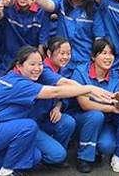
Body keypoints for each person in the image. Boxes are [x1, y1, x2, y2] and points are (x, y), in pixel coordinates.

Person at [0, 46, 113, 176]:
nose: (37, 68)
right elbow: (55, 92)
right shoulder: (16, 83)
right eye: (32, 64)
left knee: (35, 157)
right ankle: (6, 171)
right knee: (28, 126)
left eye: (40, 64)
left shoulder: (28, 75)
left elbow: (64, 82)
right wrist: (90, 88)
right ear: (19, 65)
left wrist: (90, 91)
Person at [68, 38, 119, 173]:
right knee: (96, 116)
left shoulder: (115, 75)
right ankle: (84, 157)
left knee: (109, 144)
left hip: (107, 119)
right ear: (93, 56)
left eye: (111, 54)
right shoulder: (80, 72)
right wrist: (112, 108)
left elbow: (118, 106)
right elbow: (85, 104)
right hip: (85, 118)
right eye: (103, 53)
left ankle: (118, 156)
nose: (108, 57)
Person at [35, 0, 105, 77]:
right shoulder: (61, 2)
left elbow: (99, 39)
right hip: (61, 61)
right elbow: (50, 5)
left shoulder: (94, 10)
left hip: (84, 62)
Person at [29, 37, 76, 167]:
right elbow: (63, 85)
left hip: (46, 119)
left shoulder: (61, 69)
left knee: (68, 122)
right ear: (49, 53)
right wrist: (91, 90)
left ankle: (54, 153)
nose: (66, 57)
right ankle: (39, 155)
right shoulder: (43, 69)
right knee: (56, 155)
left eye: (68, 53)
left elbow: (61, 95)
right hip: (31, 123)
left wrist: (58, 106)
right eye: (62, 53)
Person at [0, 0, 51, 76]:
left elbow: (42, 44)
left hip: (30, 66)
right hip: (6, 64)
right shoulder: (8, 7)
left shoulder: (42, 12)